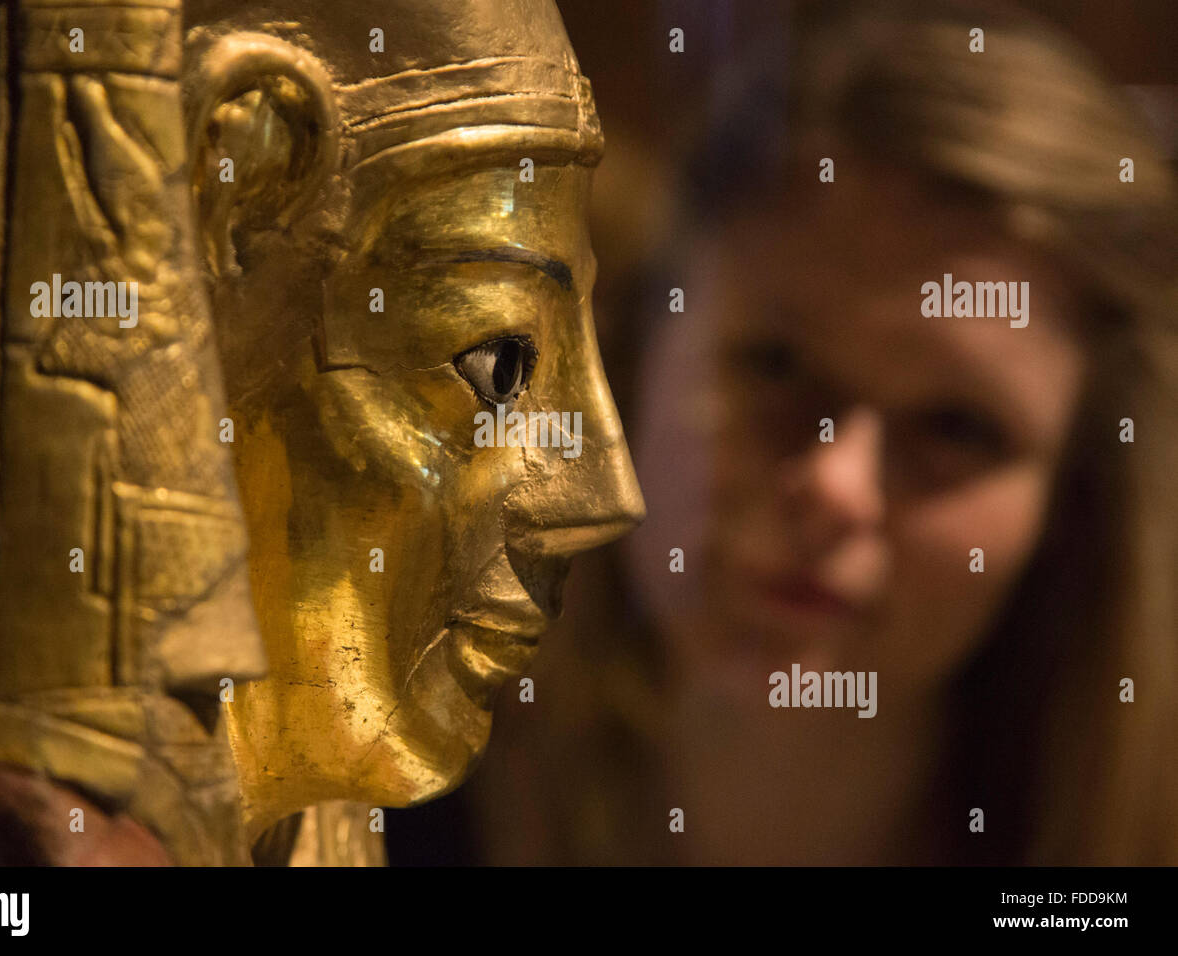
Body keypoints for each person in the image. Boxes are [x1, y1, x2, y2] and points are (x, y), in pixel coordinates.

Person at [459, 0, 1178, 865]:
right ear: (637, 350)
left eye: (957, 428)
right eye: (777, 367)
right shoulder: (381, 789)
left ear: (1071, 505)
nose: (835, 484)